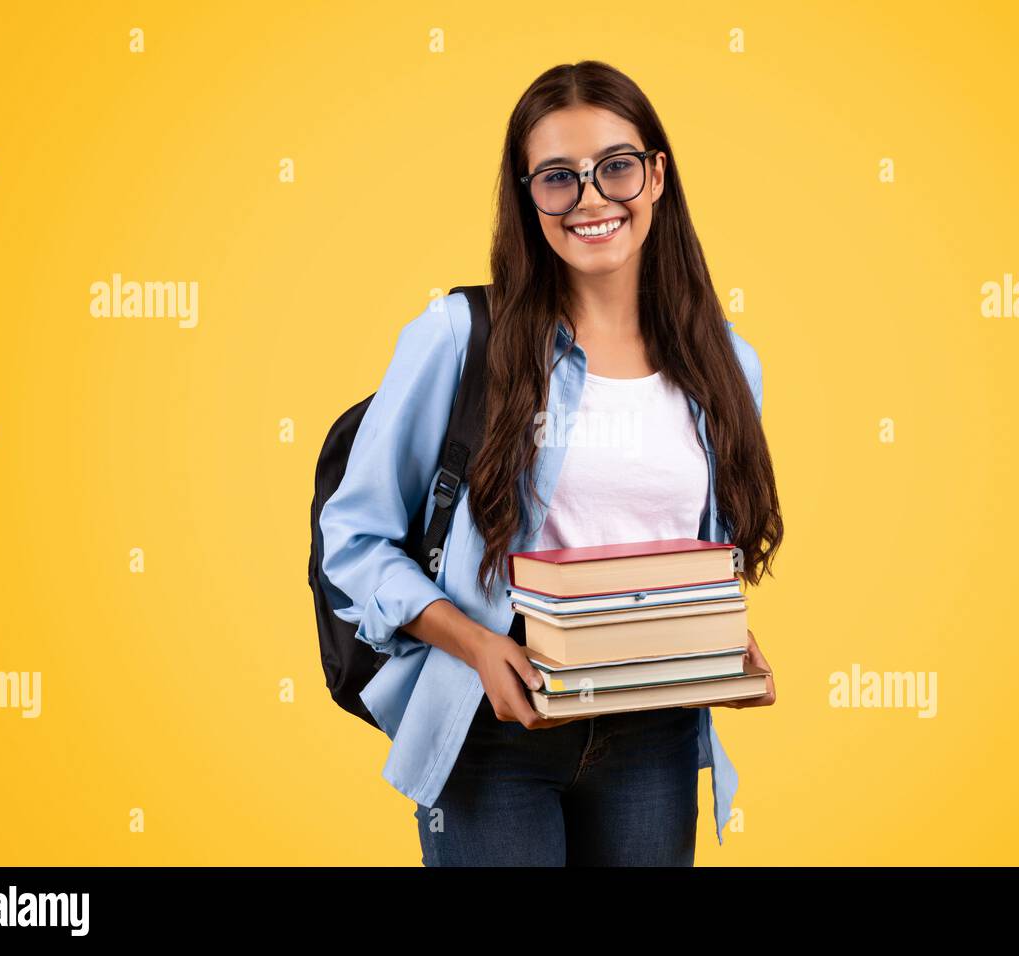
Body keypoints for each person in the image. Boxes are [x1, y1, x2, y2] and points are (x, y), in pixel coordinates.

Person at [319, 60, 783, 866]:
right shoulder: (461, 337)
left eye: (616, 167)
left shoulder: (727, 364)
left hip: (658, 738)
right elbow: (355, 542)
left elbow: (691, 551)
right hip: (495, 733)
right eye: (559, 178)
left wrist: (722, 642)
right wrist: (472, 642)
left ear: (658, 175)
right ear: (527, 194)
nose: (593, 199)